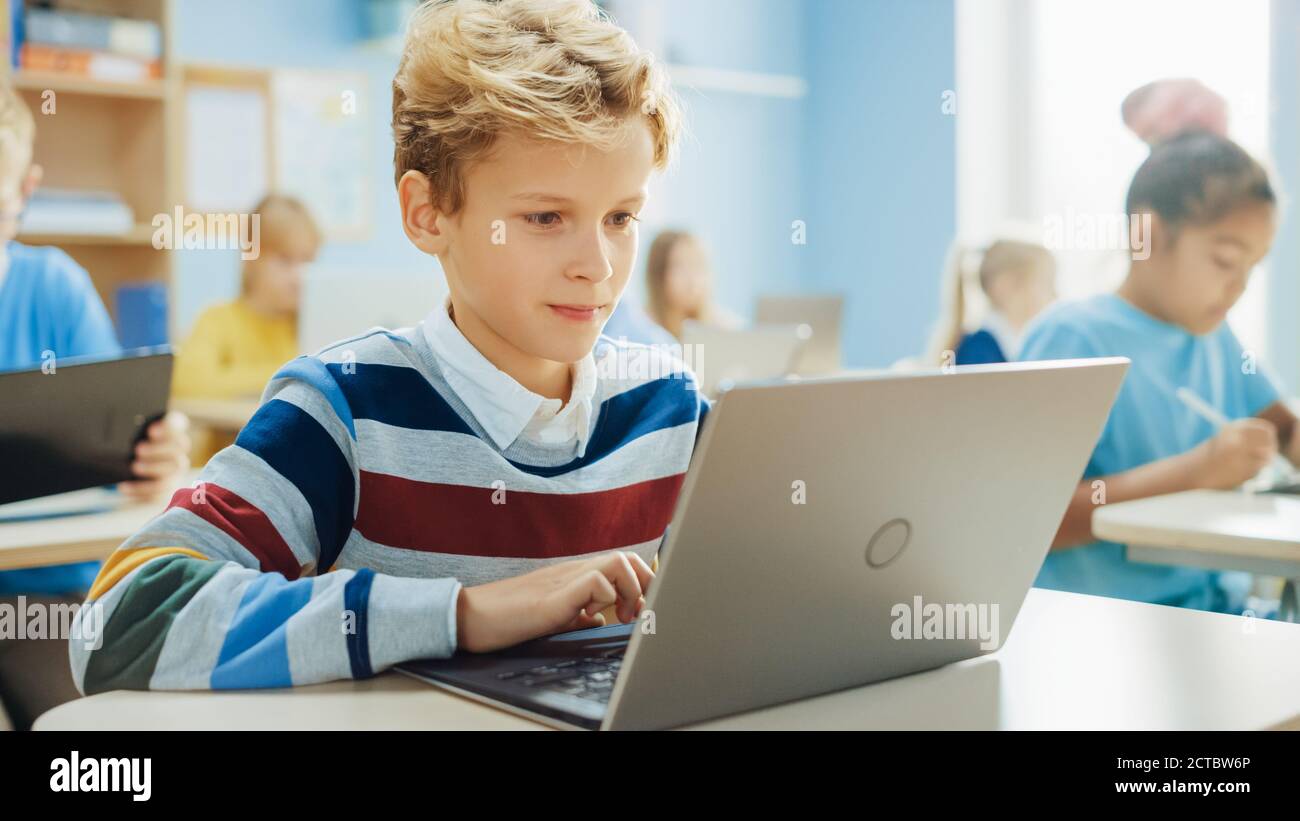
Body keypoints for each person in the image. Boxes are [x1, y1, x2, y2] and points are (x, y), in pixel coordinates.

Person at [69, 0, 709, 694]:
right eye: (546, 217)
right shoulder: (344, 410)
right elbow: (115, 623)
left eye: (621, 217)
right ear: (427, 213)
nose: (598, 263)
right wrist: (459, 614)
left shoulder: (671, 411)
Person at [1019, 131, 1297, 612]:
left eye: (1253, 266)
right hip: (1113, 623)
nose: (1239, 286)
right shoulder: (1073, 338)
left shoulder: (1214, 336)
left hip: (1215, 611)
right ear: (1146, 234)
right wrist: (1197, 471)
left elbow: (1286, 430)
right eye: (1225, 260)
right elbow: (1030, 519)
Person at [0, 80, 189, 730]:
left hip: (43, 591)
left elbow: (124, 445)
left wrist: (155, 455)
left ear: (25, 191)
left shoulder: (55, 286)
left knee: (82, 732)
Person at [172, 194, 321, 462]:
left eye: (307, 260)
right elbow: (189, 385)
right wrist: (287, 373)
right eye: (285, 260)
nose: (299, 275)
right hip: (223, 472)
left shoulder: (314, 327)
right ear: (249, 257)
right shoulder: (218, 319)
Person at [926, 238, 1057, 366]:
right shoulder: (979, 350)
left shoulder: (1007, 345)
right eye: (1047, 283)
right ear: (1006, 286)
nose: (1055, 294)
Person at [644, 228, 741, 340]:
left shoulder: (723, 326)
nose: (691, 278)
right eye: (679, 266)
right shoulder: (642, 326)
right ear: (659, 274)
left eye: (697, 265)